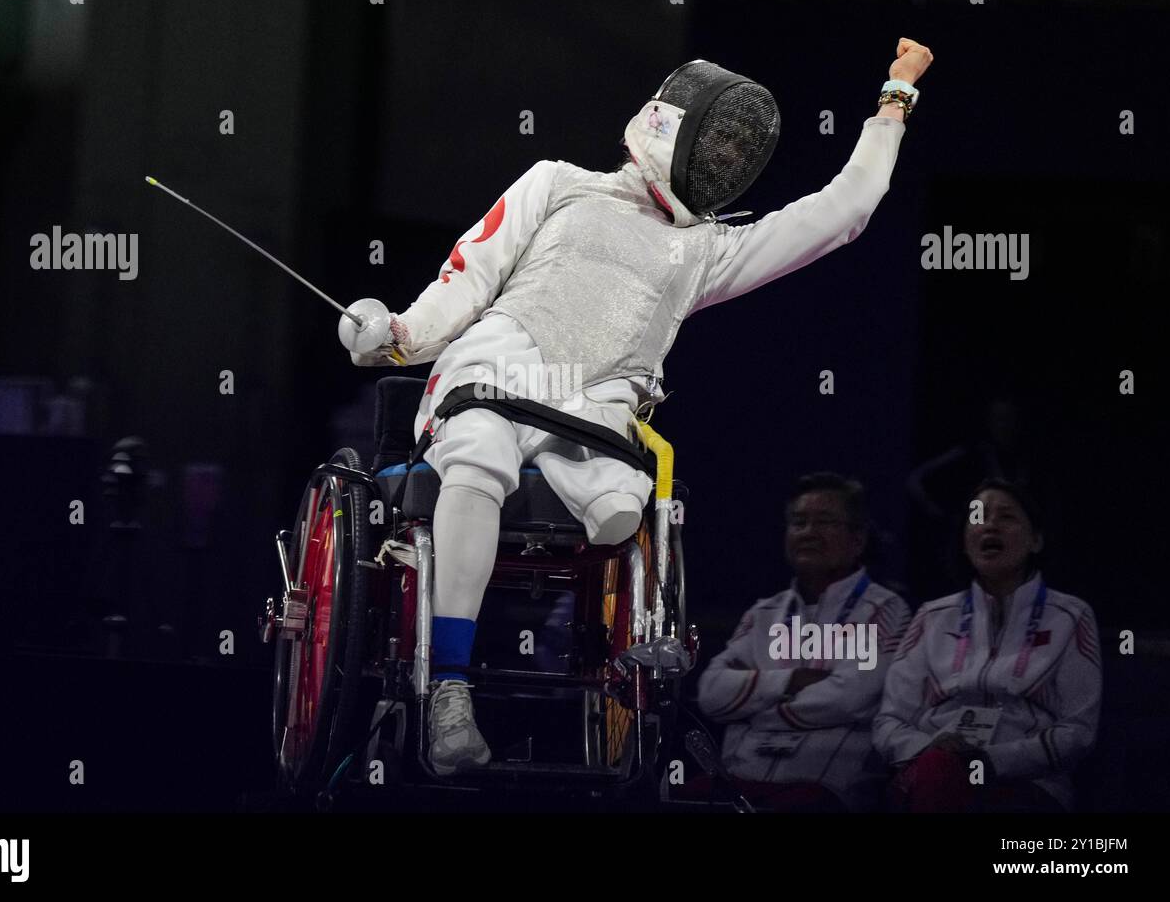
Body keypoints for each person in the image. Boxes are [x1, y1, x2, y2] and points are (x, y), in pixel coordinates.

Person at [352, 41, 934, 776]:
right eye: (719, 141)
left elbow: (841, 212)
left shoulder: (708, 251)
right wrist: (401, 335)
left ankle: (623, 675)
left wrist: (895, 97)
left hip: (593, 415)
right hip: (496, 375)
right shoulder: (557, 182)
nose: (726, 159)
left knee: (621, 513)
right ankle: (449, 691)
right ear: (671, 124)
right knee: (478, 462)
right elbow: (468, 274)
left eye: (738, 151)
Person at [873, 480, 1102, 811]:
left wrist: (992, 760)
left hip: (1027, 784)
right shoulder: (931, 616)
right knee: (937, 776)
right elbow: (889, 722)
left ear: (1036, 540)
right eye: (978, 516)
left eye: (1006, 516)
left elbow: (1078, 731)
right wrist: (930, 748)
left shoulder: (1071, 615)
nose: (990, 525)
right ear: (965, 543)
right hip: (931, 772)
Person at [697, 473, 911, 810]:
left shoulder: (885, 609)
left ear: (857, 539)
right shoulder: (762, 613)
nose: (809, 532)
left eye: (824, 522)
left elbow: (851, 698)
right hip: (739, 780)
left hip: (825, 789)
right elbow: (711, 693)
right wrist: (792, 680)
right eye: (799, 522)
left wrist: (754, 704)